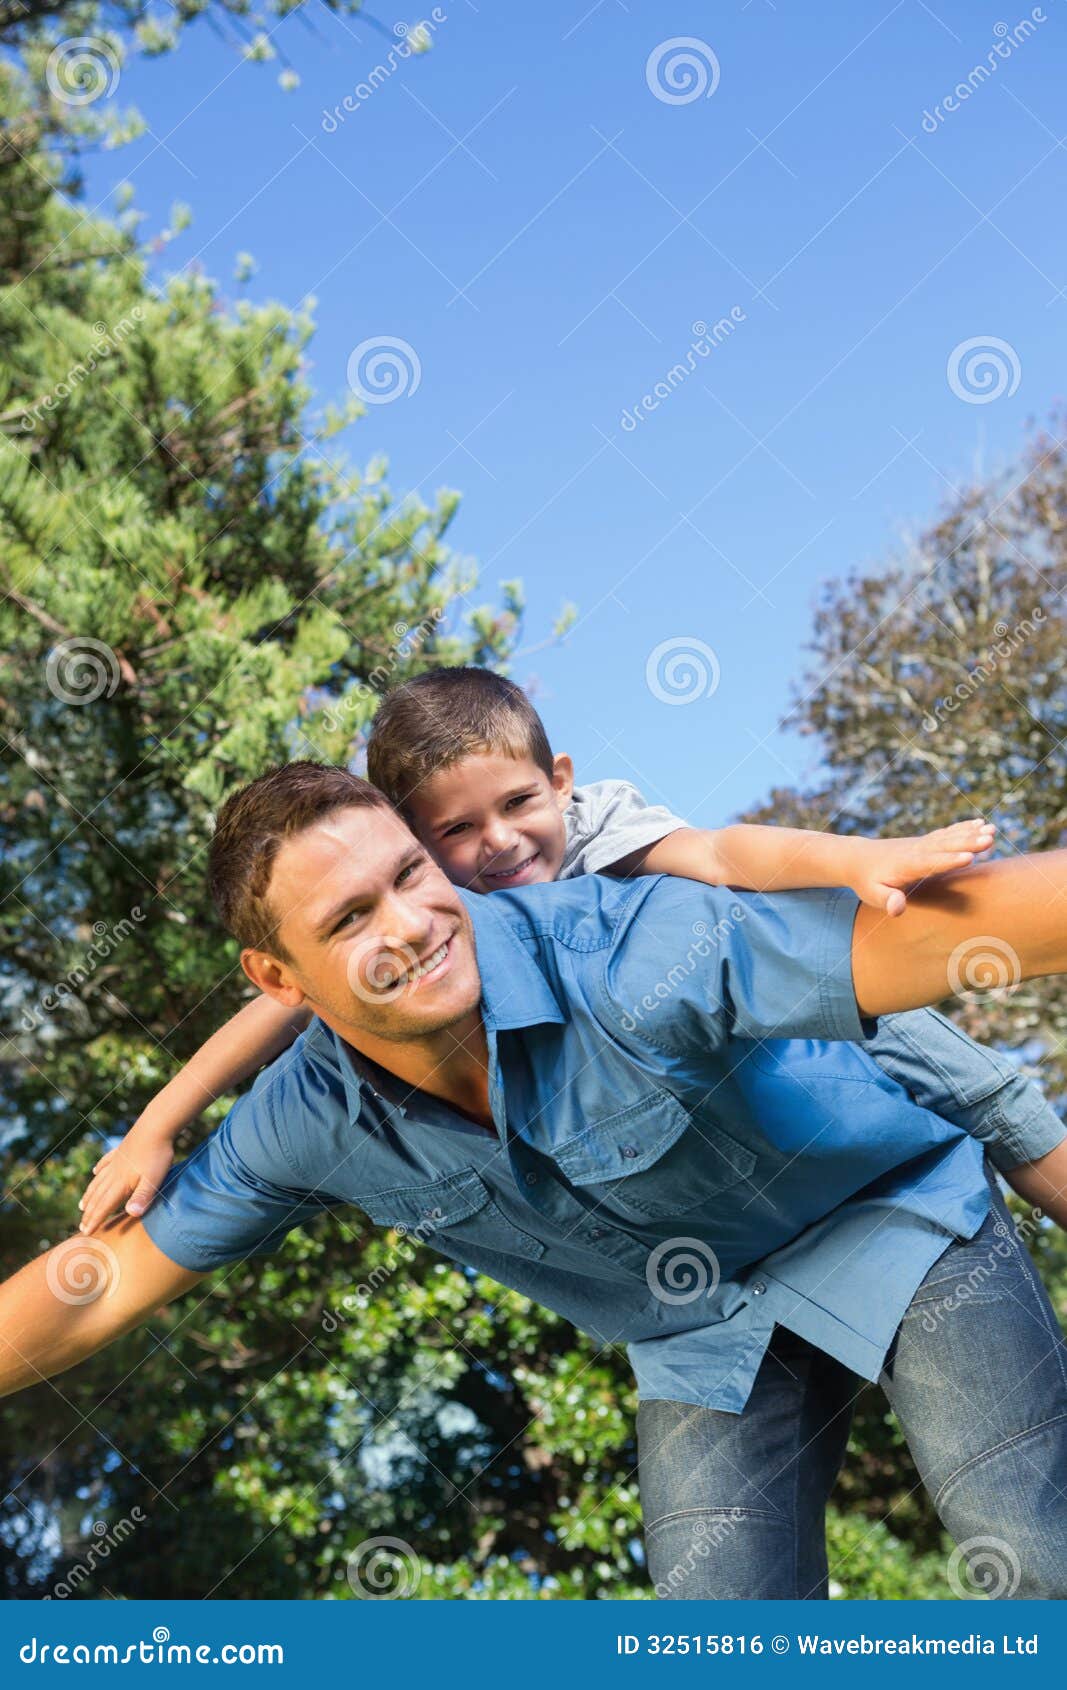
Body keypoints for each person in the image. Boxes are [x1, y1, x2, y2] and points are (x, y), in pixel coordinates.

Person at [2, 759, 1067, 1600]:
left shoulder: (627, 952)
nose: (409, 926)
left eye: (408, 876)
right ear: (279, 980)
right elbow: (97, 1289)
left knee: (1026, 1550)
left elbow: (952, 932)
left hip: (886, 1220)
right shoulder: (306, 1120)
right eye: (346, 921)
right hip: (701, 1332)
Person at [76, 669, 1062, 1236]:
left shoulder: (597, 832)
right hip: (696, 1103)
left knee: (978, 1090)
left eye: (516, 804)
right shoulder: (436, 919)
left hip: (770, 997)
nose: (498, 843)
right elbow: (289, 1005)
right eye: (454, 833)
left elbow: (726, 851)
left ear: (559, 781)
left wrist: (858, 859)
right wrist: (161, 1122)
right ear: (417, 846)